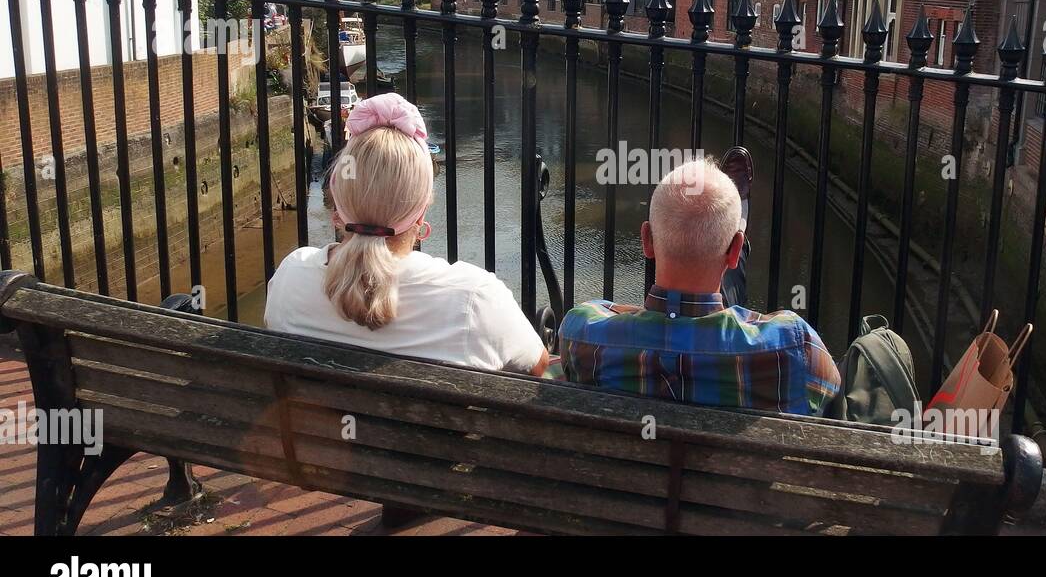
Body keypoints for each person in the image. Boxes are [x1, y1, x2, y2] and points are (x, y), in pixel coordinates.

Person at [265, 93, 547, 376]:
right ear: (422, 211)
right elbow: (538, 369)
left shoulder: (292, 276)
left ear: (337, 204)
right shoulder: (474, 300)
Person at [558, 148, 840, 415]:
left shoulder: (580, 333)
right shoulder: (794, 346)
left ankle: (733, 237)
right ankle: (734, 233)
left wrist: (659, 316)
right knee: (732, 292)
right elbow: (832, 399)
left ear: (647, 241)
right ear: (734, 251)